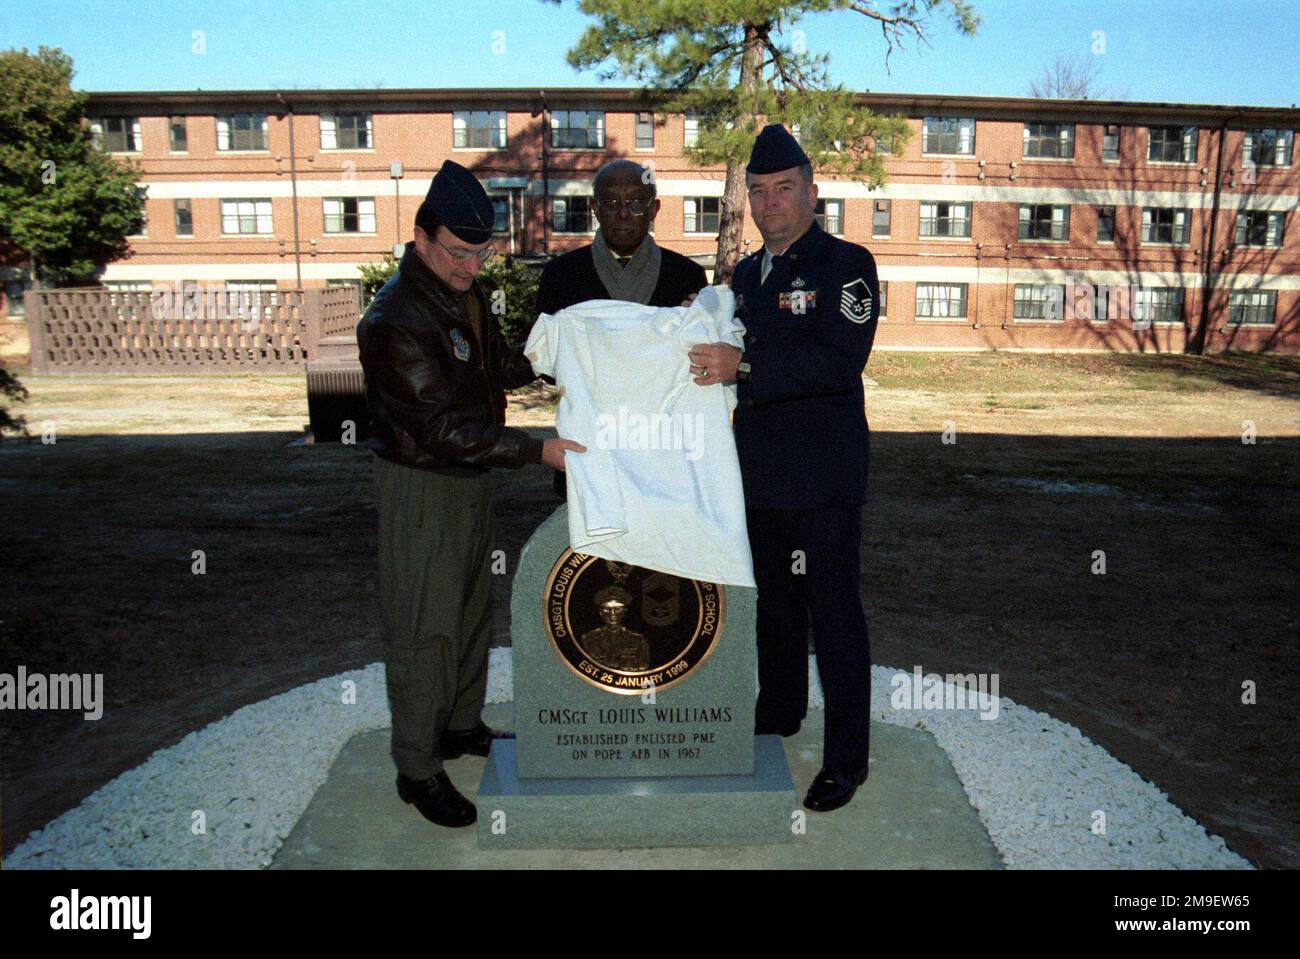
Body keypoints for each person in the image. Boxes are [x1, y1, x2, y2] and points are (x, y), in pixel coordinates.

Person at [356, 159, 584, 828]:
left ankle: (457, 726)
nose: (470, 266)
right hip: (421, 484)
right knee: (424, 626)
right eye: (458, 253)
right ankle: (417, 768)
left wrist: (559, 353)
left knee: (467, 613)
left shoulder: (462, 296)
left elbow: (492, 366)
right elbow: (438, 427)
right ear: (421, 237)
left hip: (466, 479)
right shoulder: (394, 318)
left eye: (480, 253)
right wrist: (535, 450)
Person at [689, 124, 881, 813]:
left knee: (833, 614)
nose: (770, 204)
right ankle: (780, 708)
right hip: (761, 472)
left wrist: (746, 366)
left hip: (823, 476)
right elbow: (727, 341)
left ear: (811, 191)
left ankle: (846, 760)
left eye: (784, 189)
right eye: (760, 192)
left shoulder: (847, 265)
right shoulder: (745, 274)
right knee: (774, 601)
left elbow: (838, 360)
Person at [535, 159, 708, 500]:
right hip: (589, 442)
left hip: (662, 448)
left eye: (635, 202)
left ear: (654, 208)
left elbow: (700, 368)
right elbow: (546, 365)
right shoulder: (562, 276)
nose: (623, 213)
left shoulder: (686, 276)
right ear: (594, 209)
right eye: (611, 203)